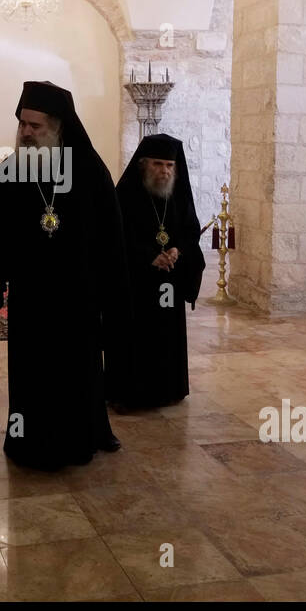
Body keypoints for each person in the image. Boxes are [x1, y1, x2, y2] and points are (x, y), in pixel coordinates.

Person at [0, 81, 126, 471]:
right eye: (22, 123)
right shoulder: (12, 170)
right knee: (32, 374)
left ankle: (81, 438)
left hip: (79, 297)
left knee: (77, 371)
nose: (25, 132)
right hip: (33, 296)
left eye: (35, 126)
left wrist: (112, 295)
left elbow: (111, 237)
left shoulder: (90, 170)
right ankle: (29, 442)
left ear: (57, 126)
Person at [108, 133, 204, 409]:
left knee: (166, 335)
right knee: (136, 336)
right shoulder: (125, 194)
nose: (164, 171)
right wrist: (149, 256)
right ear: (143, 164)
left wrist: (178, 251)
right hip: (135, 281)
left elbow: (190, 229)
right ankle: (132, 393)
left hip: (169, 280)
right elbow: (116, 233)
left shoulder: (178, 194)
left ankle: (167, 389)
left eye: (169, 166)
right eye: (158, 164)